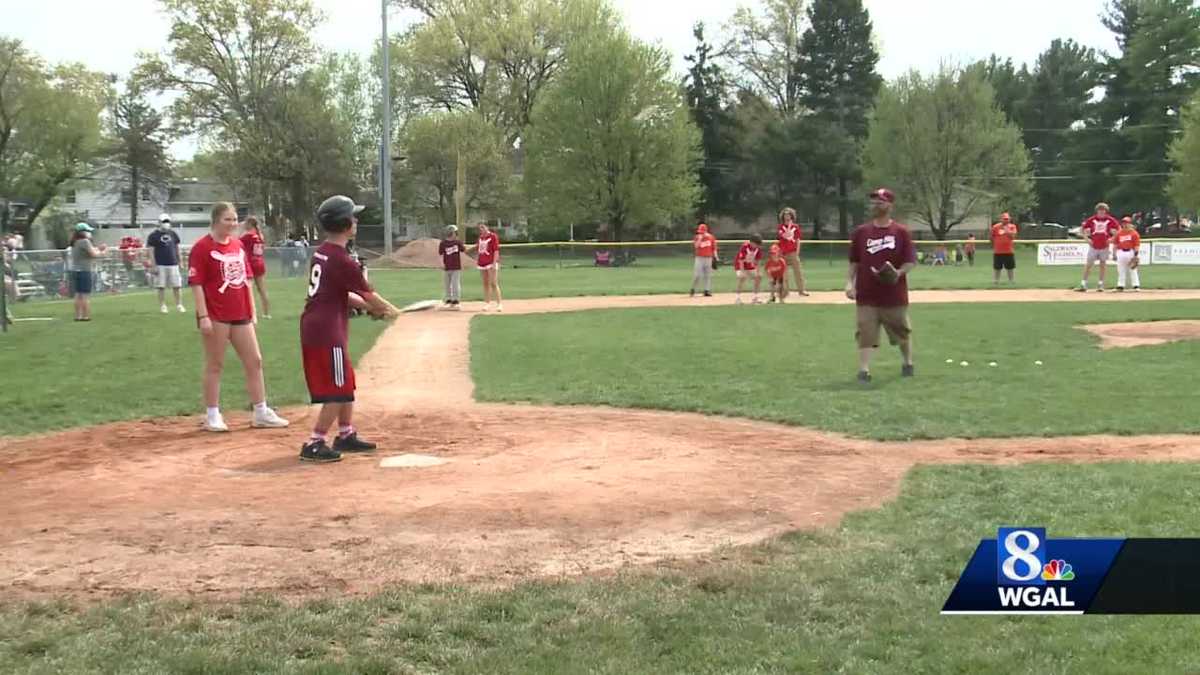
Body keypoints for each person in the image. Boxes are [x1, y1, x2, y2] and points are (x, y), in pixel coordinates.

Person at [299, 195, 400, 463]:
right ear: (344, 223)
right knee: (337, 389)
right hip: (325, 331)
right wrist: (389, 310)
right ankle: (315, 442)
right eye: (352, 216)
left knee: (346, 383)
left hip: (322, 325)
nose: (356, 220)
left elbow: (342, 296)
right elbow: (369, 296)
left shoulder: (324, 252)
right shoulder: (342, 260)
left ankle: (345, 434)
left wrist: (375, 309)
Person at [188, 202, 289, 433]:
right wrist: (203, 316)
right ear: (215, 220)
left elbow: (247, 279)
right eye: (227, 219)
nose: (233, 224)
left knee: (254, 360)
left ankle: (261, 411)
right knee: (215, 364)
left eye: (234, 219)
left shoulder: (238, 245)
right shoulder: (202, 248)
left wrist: (252, 309)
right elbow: (197, 284)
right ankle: (212, 414)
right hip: (216, 314)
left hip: (240, 312)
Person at [846, 188, 917, 383]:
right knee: (865, 330)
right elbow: (854, 262)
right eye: (874, 201)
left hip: (893, 293)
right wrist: (848, 284)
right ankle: (864, 370)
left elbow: (910, 260)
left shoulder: (901, 232)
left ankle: (908, 363)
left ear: (890, 205)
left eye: (881, 201)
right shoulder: (862, 232)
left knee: (902, 331)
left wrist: (898, 273)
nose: (876, 204)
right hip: (867, 293)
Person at [147, 213, 186, 313]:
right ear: (159, 223)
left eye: (167, 221)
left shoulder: (173, 234)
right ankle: (163, 306)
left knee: (177, 286)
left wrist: (180, 261)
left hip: (173, 263)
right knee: (161, 286)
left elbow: (177, 248)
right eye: (164, 222)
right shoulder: (153, 236)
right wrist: (153, 265)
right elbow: (151, 251)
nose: (166, 224)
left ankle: (179, 305)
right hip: (160, 264)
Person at [1077, 202, 1120, 292]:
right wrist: (1087, 239)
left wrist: (1112, 239)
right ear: (1097, 211)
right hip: (1094, 245)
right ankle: (1083, 283)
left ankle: (1100, 284)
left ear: (1106, 211)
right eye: (1100, 210)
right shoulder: (1092, 220)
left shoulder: (1110, 220)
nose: (1101, 212)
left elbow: (1118, 230)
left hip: (1104, 245)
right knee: (1089, 264)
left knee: (1102, 265)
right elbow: (1082, 229)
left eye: (1103, 210)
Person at [69, 223, 107, 322]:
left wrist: (99, 249)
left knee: (78, 294)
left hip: (75, 270)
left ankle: (78, 316)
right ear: (82, 232)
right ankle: (85, 316)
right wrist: (103, 252)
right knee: (85, 295)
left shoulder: (75, 242)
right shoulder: (85, 241)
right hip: (84, 271)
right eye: (88, 231)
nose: (89, 233)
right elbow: (94, 254)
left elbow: (87, 252)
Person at [239, 216, 271, 319]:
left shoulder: (247, 236)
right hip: (260, 263)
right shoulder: (260, 236)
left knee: (248, 289)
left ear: (249, 224)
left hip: (250, 264)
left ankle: (251, 313)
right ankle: (266, 313)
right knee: (262, 290)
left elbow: (236, 243)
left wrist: (240, 230)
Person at [776, 207, 809, 296]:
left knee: (798, 272)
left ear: (791, 216)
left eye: (789, 215)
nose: (787, 217)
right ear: (783, 216)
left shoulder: (796, 227)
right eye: (785, 215)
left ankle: (801, 290)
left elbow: (798, 240)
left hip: (793, 252)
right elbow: (784, 235)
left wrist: (797, 251)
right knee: (784, 274)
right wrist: (789, 227)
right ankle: (785, 291)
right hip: (783, 253)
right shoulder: (781, 227)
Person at [470, 222, 503, 311]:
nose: (481, 229)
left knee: (493, 283)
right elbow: (478, 248)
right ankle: (487, 303)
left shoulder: (493, 236)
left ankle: (499, 304)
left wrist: (494, 263)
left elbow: (496, 250)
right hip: (482, 262)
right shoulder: (480, 238)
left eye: (483, 227)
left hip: (490, 262)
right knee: (485, 283)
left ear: (487, 227)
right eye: (480, 228)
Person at [438, 225, 465, 310]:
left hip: (456, 267)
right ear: (450, 233)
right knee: (447, 284)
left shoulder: (457, 242)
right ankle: (448, 300)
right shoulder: (443, 243)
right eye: (454, 233)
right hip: (447, 267)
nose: (455, 234)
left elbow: (464, 250)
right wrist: (441, 264)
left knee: (455, 284)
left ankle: (456, 301)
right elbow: (440, 254)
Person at [689, 222, 718, 298]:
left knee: (708, 275)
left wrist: (716, 258)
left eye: (702, 232)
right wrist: (700, 239)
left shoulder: (711, 237)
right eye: (700, 232)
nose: (701, 233)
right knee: (697, 275)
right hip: (699, 258)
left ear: (706, 231)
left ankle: (706, 290)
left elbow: (714, 248)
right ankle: (693, 289)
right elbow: (696, 246)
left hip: (709, 258)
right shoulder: (697, 237)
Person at [733, 233, 764, 304]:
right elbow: (741, 260)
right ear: (752, 242)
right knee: (742, 278)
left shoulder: (757, 249)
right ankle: (738, 298)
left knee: (759, 277)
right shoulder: (745, 247)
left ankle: (755, 297)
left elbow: (758, 261)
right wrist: (743, 271)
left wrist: (758, 272)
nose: (757, 246)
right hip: (740, 266)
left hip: (750, 266)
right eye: (756, 244)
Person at [1114, 216, 1141, 292]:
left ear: (1130, 224)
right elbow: (1115, 244)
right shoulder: (1119, 233)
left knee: (1133, 269)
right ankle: (1120, 285)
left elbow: (1136, 245)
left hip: (1130, 252)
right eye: (1124, 223)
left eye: (1127, 223)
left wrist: (1135, 255)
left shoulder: (1134, 233)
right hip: (1120, 252)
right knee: (1120, 269)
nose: (1125, 224)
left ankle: (1136, 285)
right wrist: (1114, 253)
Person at [990, 213, 1018, 285]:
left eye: (1007, 219)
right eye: (1004, 219)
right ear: (1001, 219)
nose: (1006, 220)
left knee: (1010, 267)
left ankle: (1011, 281)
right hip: (998, 251)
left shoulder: (1012, 226)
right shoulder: (996, 227)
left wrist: (1006, 230)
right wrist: (994, 244)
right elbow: (991, 237)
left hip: (1008, 251)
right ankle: (996, 281)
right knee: (997, 268)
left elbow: (1013, 236)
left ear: (1010, 219)